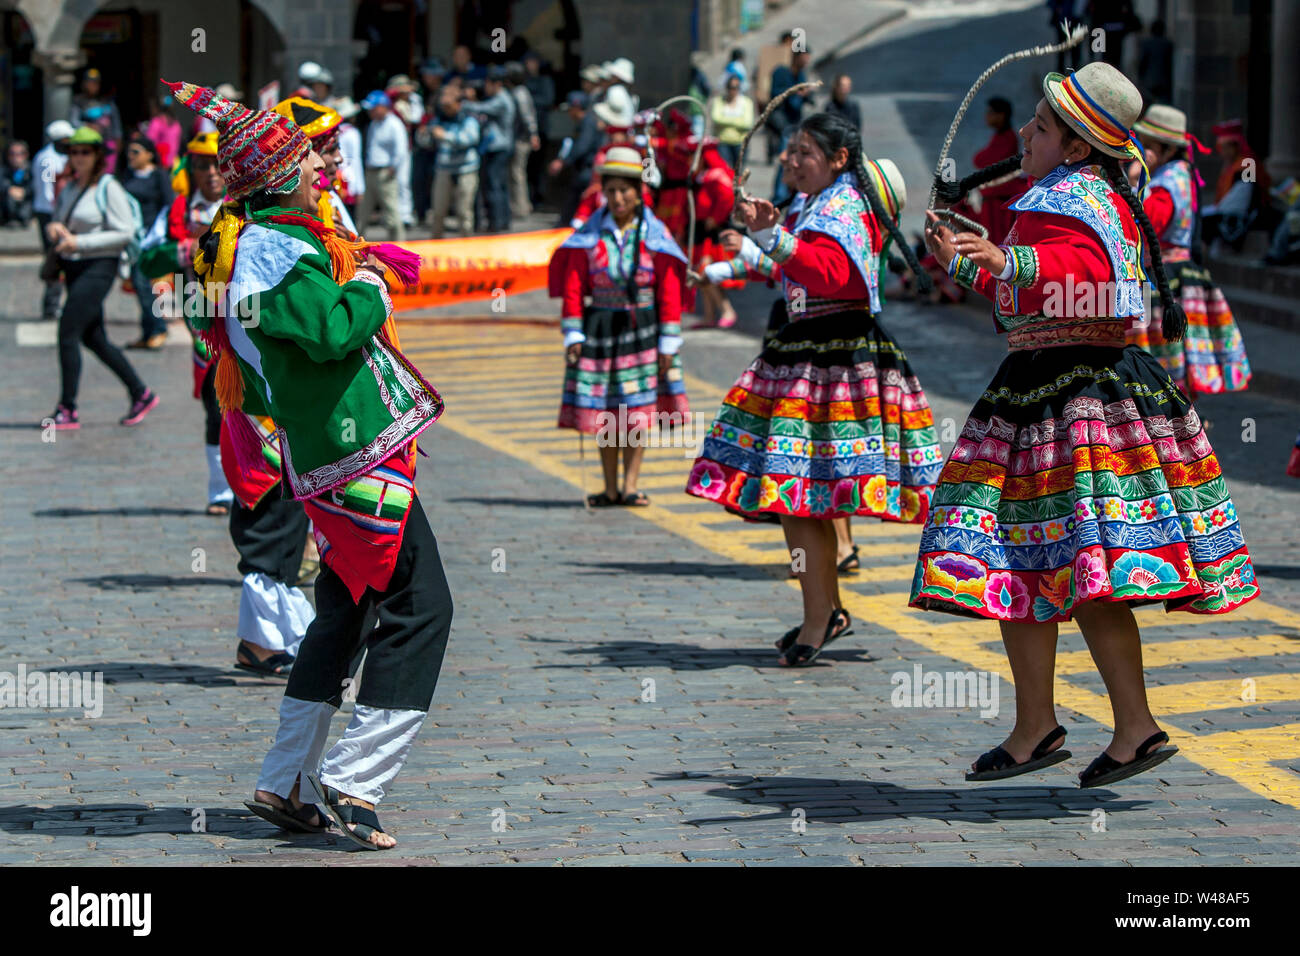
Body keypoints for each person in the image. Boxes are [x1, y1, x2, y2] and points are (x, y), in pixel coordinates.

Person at [915, 62, 1257, 787]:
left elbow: (1072, 275)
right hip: (1070, 388)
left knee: (1026, 555)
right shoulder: (1096, 194)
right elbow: (1040, 293)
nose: (1027, 139)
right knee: (1071, 569)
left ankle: (1074, 725)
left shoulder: (1074, 200)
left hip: (1061, 402)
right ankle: (1087, 727)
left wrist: (1003, 259)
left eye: (1040, 129)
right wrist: (976, 262)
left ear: (1075, 147)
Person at [165, 79, 453, 850]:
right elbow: (329, 328)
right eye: (305, 161)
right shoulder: (269, 251)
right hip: (345, 447)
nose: (319, 168)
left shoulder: (253, 242)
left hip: (334, 445)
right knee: (421, 607)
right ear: (280, 177)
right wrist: (367, 283)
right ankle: (357, 783)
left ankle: (287, 780)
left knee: (347, 608)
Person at [685, 112, 940, 667]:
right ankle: (822, 611)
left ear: (839, 159)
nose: (791, 160)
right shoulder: (815, 204)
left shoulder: (845, 208)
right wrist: (737, 258)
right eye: (791, 151)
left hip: (835, 361)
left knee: (802, 498)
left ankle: (820, 616)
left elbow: (831, 274)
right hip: (805, 354)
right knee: (800, 499)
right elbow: (791, 269)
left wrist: (770, 237)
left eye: (803, 152)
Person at [549, 146, 690, 508]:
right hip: (600, 331)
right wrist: (573, 333)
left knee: (636, 411)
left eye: (624, 190)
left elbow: (670, 290)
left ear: (638, 191)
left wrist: (668, 343)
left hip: (642, 329)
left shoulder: (655, 236)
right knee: (606, 411)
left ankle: (630, 484)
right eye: (610, 191)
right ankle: (609, 487)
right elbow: (575, 286)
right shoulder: (589, 236)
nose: (618, 198)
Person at [138, 131, 233, 515]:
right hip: (206, 325)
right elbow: (144, 262)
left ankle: (265, 484)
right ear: (190, 169)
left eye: (216, 163)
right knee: (215, 403)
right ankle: (221, 489)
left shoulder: (247, 206)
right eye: (201, 165)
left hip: (252, 319)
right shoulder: (176, 212)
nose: (210, 173)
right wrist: (181, 250)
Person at [1124, 105, 1250, 394]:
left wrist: (1133, 182)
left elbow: (1148, 223)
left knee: (1165, 359)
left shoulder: (1168, 182)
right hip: (1177, 271)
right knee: (1177, 358)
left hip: (1166, 275)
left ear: (1166, 150)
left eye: (1149, 148)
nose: (1142, 154)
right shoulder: (1179, 173)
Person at [44, 127, 158, 431]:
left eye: (85, 151)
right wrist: (54, 230)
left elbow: (125, 232)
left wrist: (79, 243)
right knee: (93, 338)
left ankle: (67, 408)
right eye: (74, 151)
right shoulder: (70, 187)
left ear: (97, 156)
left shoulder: (109, 187)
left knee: (67, 332)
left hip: (99, 267)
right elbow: (59, 220)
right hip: (74, 267)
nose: (79, 157)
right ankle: (141, 393)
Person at [118, 132, 174, 349]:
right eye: (128, 152)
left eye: (135, 152)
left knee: (143, 284)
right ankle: (147, 332)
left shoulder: (158, 176)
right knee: (137, 285)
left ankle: (159, 328)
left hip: (152, 238)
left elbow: (169, 204)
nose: (130, 156)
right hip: (133, 238)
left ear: (149, 155)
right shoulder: (127, 176)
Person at [273, 96, 359, 238]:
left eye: (338, 148)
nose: (340, 158)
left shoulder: (328, 197)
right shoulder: (295, 216)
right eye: (330, 150)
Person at [1201, 119, 1270, 250]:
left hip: (1244, 214)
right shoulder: (1232, 164)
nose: (1222, 152)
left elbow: (1244, 195)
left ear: (1235, 146)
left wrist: (1219, 209)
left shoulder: (1247, 162)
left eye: (1226, 148)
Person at [463, 65, 516, 233]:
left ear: (496, 84)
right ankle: (502, 220)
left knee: (493, 185)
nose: (485, 88)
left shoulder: (501, 99)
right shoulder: (502, 97)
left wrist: (464, 102)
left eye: (487, 84)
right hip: (499, 147)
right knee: (499, 185)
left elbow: (482, 108)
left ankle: (496, 223)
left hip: (498, 148)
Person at [429, 84, 481, 238]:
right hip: (443, 170)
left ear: (458, 104)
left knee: (464, 213)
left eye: (449, 106)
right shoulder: (438, 119)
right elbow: (428, 143)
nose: (446, 109)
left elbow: (470, 139)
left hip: (466, 170)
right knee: (438, 212)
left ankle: (466, 247)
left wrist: (445, 136)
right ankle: (436, 247)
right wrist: (427, 135)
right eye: (443, 105)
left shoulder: (468, 119)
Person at [33, 121, 72, 320]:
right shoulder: (48, 159)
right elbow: (48, 190)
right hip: (49, 213)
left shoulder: (57, 156)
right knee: (55, 257)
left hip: (53, 212)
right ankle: (51, 306)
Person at [359, 90, 408, 240]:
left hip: (385, 172)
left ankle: (400, 246)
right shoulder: (374, 123)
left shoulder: (394, 124)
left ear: (383, 106)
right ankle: (355, 247)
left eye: (373, 108)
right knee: (363, 213)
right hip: (371, 172)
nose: (370, 112)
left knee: (391, 213)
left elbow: (401, 149)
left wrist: (393, 168)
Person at [550, 91, 602, 226]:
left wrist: (564, 161)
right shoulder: (583, 122)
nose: (568, 113)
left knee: (577, 203)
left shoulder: (588, 123)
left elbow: (582, 146)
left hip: (587, 170)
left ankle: (564, 227)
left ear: (577, 108)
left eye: (570, 109)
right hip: (582, 169)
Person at [69, 68, 123, 172]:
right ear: (84, 83)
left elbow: (116, 122)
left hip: (108, 143)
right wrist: (87, 126)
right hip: (89, 145)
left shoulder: (107, 101)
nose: (93, 85)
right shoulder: (79, 102)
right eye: (90, 82)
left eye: (96, 83)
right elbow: (73, 122)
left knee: (107, 172)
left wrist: (118, 138)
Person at [412, 59, 445, 226]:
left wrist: (430, 126)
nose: (425, 78)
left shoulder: (443, 93)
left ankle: (434, 212)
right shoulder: (422, 92)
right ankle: (422, 213)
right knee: (419, 178)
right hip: (423, 145)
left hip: (438, 145)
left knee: (434, 180)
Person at [506, 62, 539, 218]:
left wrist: (533, 134)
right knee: (516, 173)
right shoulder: (518, 91)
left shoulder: (519, 93)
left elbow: (527, 116)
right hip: (519, 138)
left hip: (521, 139)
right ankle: (518, 205)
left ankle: (521, 207)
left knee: (517, 174)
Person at [522, 51, 555, 208]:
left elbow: (548, 100)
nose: (530, 65)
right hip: (525, 132)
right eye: (528, 62)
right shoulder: (523, 81)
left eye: (533, 61)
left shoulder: (545, 81)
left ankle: (539, 197)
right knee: (526, 167)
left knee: (539, 166)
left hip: (541, 128)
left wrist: (528, 101)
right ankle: (528, 198)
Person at [710, 74, 755, 170]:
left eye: (736, 87)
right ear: (727, 87)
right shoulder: (718, 101)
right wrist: (737, 121)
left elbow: (747, 123)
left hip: (740, 143)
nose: (733, 90)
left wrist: (725, 121)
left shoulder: (746, 102)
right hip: (722, 142)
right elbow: (716, 118)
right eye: (731, 87)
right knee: (724, 170)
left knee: (738, 173)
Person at [334, 97, 365, 220]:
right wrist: (360, 188)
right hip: (349, 179)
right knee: (350, 216)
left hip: (336, 176)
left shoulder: (336, 132)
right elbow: (356, 160)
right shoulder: (352, 133)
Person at [1137, 19, 1173, 103]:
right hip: (1164, 81)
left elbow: (1142, 62)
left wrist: (1140, 78)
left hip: (1149, 80)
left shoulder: (1146, 43)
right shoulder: (1168, 44)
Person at [1, 140, 34, 228]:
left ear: (25, 155)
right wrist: (9, 189)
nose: (15, 157)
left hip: (26, 209)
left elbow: (36, 188)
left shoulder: (33, 170)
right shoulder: (3, 170)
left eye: (19, 154)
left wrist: (25, 192)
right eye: (12, 154)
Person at [146, 95, 183, 170]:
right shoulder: (156, 122)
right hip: (160, 164)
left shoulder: (176, 124)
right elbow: (150, 143)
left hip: (173, 164)